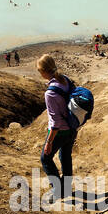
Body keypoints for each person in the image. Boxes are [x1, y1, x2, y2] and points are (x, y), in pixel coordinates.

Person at [37, 53, 76, 205]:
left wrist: (49, 142)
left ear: (44, 72)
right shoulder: (64, 79)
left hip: (61, 131)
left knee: (45, 158)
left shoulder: (50, 93)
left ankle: (58, 190)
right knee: (65, 156)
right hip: (73, 127)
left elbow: (55, 122)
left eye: (39, 71)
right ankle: (66, 188)